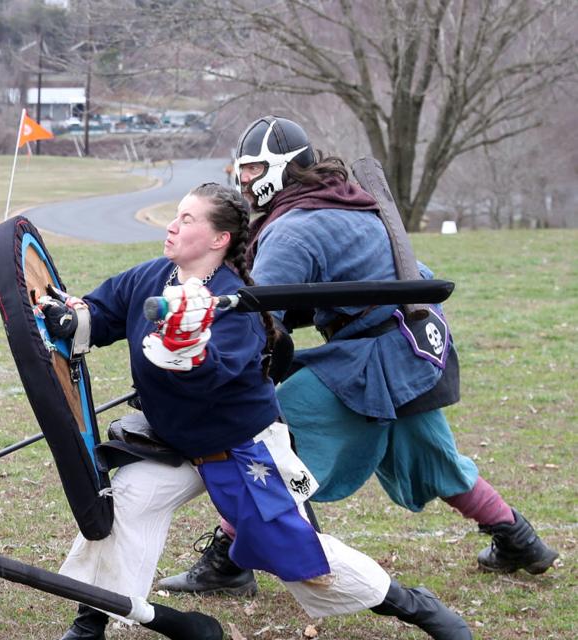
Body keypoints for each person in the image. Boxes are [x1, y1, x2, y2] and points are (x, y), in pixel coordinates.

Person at [26, 182, 473, 640]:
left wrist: (187, 349)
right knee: (122, 507)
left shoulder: (240, 307)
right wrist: (73, 317)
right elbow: (103, 311)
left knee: (294, 552)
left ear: (219, 239)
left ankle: (411, 604)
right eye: (176, 215)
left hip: (238, 448)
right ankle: (89, 626)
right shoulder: (151, 278)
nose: (173, 226)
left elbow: (215, 373)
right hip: (174, 440)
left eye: (188, 219)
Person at [158, 116, 558, 596]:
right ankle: (518, 539)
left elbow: (261, 329)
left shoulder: (293, 229)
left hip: (382, 352)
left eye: (256, 168)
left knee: (277, 435)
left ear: (284, 169)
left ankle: (228, 561)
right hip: (420, 341)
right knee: (433, 455)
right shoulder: (344, 199)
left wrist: (206, 370)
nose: (245, 180)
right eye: (241, 170)